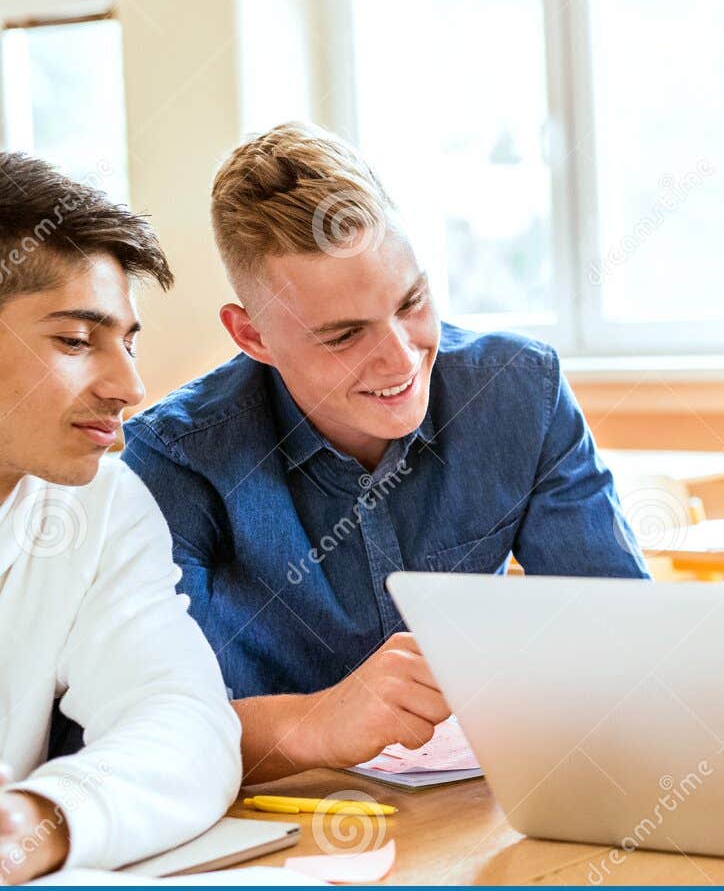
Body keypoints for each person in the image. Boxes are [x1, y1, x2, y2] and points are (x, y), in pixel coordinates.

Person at [122, 123, 648, 785]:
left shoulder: (519, 391)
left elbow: (628, 643)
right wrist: (318, 722)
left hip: (474, 812)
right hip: (278, 836)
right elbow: (128, 732)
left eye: (412, 302)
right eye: (344, 336)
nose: (402, 359)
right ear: (253, 335)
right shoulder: (173, 458)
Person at [0, 154, 240, 882]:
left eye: (128, 340)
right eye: (76, 341)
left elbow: (185, 721)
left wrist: (39, 818)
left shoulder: (99, 503)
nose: (131, 385)